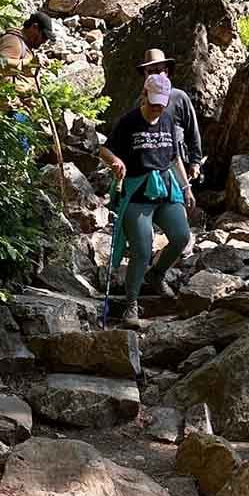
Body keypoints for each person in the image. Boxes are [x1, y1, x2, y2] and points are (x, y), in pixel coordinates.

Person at [99, 72, 195, 329]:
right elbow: (104, 149)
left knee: (181, 237)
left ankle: (157, 274)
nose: (157, 109)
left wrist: (185, 187)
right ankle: (131, 304)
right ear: (143, 96)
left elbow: (174, 157)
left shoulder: (167, 119)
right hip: (137, 192)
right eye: (153, 104)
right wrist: (116, 161)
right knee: (142, 249)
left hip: (165, 188)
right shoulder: (128, 122)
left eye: (161, 104)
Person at [136, 48, 203, 182]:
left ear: (166, 72)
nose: (155, 75)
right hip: (149, 167)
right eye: (151, 71)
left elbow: (192, 131)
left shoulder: (179, 97)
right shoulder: (138, 103)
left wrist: (195, 162)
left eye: (160, 70)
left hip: (178, 163)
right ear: (145, 74)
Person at [0, 11, 55, 115]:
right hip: (11, 110)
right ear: (34, 27)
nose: (44, 41)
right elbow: (0, 64)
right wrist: (28, 63)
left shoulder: (26, 46)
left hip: (21, 109)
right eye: (43, 36)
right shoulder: (13, 41)